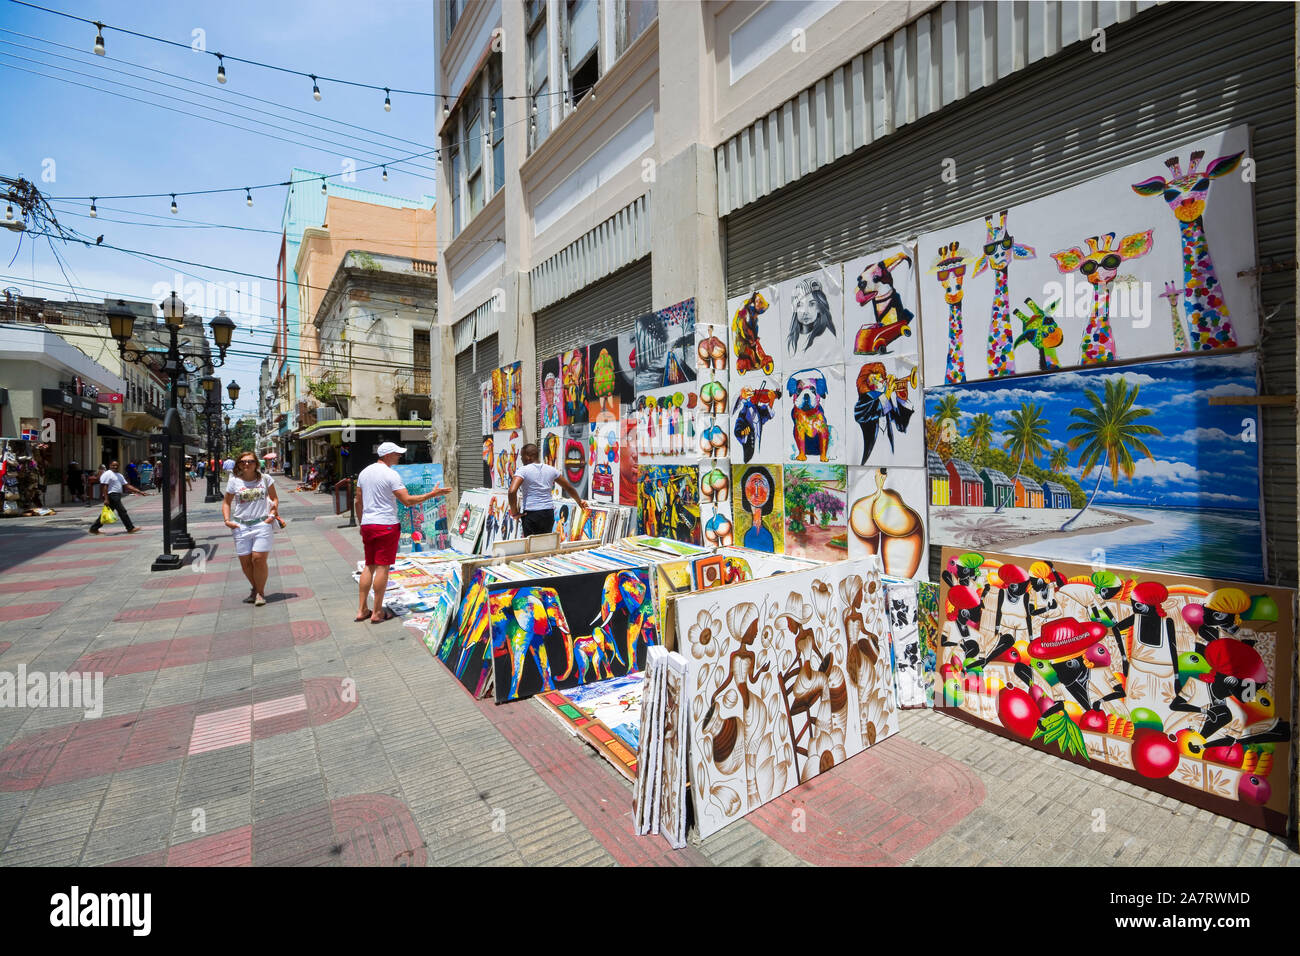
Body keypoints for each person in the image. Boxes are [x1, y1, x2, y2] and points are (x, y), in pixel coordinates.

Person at [354, 442, 448, 624]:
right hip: (386, 525)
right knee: (382, 567)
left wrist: (361, 522)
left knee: (369, 565)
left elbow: (358, 501)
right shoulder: (391, 474)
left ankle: (361, 609)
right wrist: (433, 494)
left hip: (368, 524)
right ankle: (377, 612)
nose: (399, 457)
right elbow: (407, 501)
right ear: (388, 455)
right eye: (397, 454)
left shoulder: (364, 473)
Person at [222, 451, 279, 606]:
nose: (246, 464)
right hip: (240, 525)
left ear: (256, 464)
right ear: (238, 464)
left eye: (250, 461)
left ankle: (260, 593)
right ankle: (255, 588)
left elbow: (274, 498)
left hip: (262, 524)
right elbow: (226, 502)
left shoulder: (266, 479)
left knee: (258, 559)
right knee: (246, 563)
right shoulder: (234, 481)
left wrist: (272, 515)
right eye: (243, 462)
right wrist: (227, 520)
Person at [508, 443, 586, 536]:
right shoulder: (551, 470)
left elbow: (512, 491)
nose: (521, 458)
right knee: (544, 544)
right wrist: (579, 501)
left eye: (522, 456)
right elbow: (568, 487)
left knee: (532, 547)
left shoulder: (523, 470)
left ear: (529, 456)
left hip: (531, 514)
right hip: (548, 513)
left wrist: (514, 512)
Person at [89, 460, 147, 534]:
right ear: (110, 465)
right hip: (112, 495)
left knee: (106, 513)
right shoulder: (107, 474)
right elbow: (104, 487)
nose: (115, 467)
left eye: (116, 465)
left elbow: (127, 485)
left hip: (117, 495)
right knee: (122, 511)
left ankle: (94, 528)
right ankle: (130, 528)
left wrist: (139, 492)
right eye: (113, 465)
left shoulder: (119, 475)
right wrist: (106, 499)